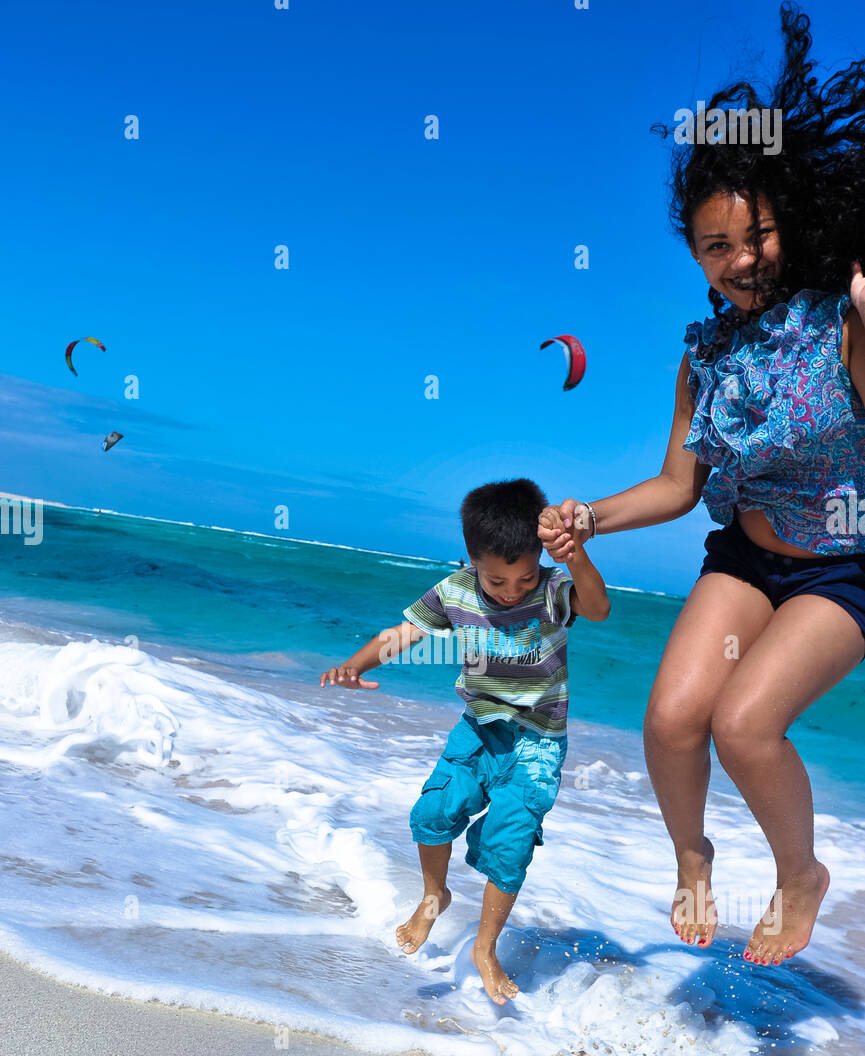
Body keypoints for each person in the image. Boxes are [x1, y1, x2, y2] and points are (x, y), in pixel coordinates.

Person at [539, 3, 865, 969]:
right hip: (743, 560)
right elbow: (678, 485)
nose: (741, 260)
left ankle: (799, 875)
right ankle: (693, 858)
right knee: (671, 720)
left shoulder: (838, 325)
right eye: (717, 247)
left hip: (840, 568)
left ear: (786, 225)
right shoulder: (706, 357)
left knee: (743, 724)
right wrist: (586, 517)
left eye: (755, 236)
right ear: (693, 255)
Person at [320, 478, 609, 1003]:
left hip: (538, 741)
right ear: (471, 558)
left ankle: (485, 946)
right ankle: (435, 896)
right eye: (498, 580)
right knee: (432, 814)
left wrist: (578, 555)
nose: (512, 591)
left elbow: (598, 606)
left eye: (523, 577)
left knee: (510, 841)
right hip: (477, 728)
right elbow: (402, 634)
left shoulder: (550, 590)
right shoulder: (453, 590)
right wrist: (353, 666)